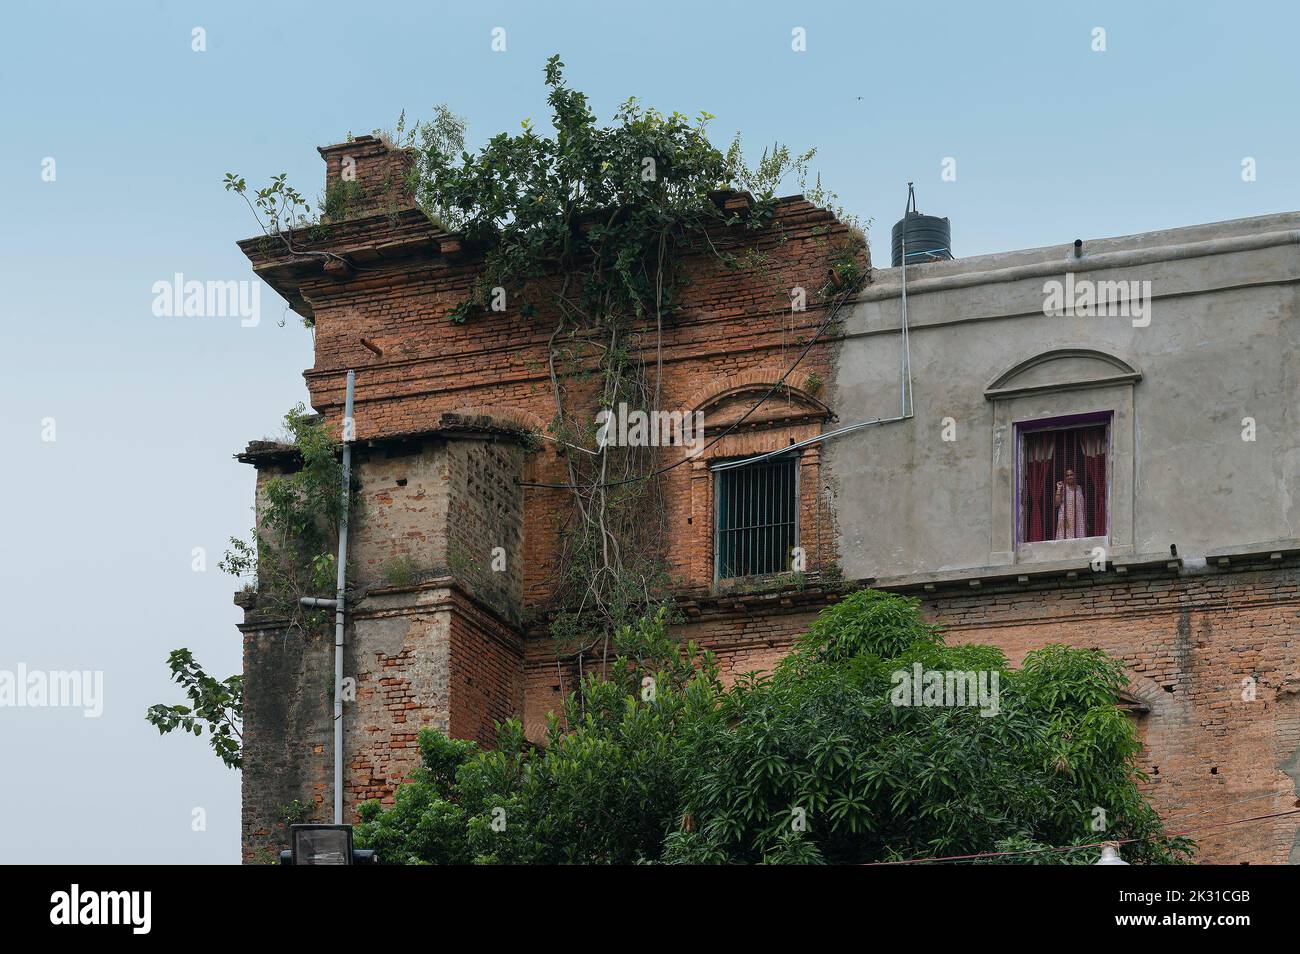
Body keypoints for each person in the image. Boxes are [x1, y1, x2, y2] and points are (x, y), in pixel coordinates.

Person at [1054, 468, 1088, 539]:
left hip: (1079, 518)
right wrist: (1058, 489)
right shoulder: (1063, 488)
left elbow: (1081, 505)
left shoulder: (1079, 488)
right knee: (1066, 539)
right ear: (1065, 478)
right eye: (1067, 475)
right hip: (1066, 519)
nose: (1069, 477)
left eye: (1071, 475)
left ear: (1075, 476)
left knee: (1079, 539)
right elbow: (1057, 503)